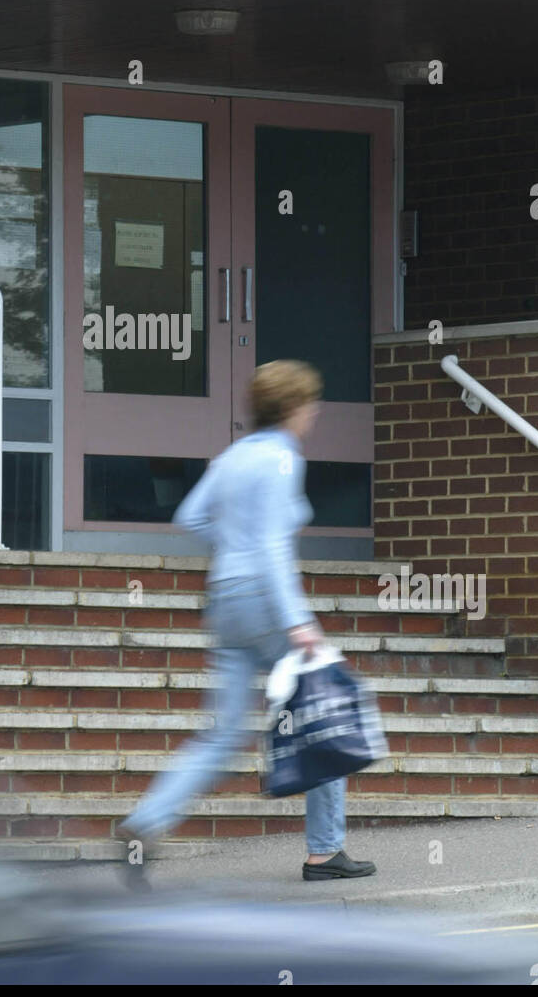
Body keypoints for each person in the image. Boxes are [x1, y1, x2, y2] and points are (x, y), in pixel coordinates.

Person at [116, 360, 377, 886]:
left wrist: (232, 549)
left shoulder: (232, 457)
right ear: (292, 407)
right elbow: (273, 547)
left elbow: (190, 516)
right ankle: (325, 852)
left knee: (222, 734)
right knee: (323, 711)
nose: (315, 412)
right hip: (267, 600)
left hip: (227, 599)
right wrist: (298, 621)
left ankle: (146, 821)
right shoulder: (282, 458)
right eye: (311, 403)